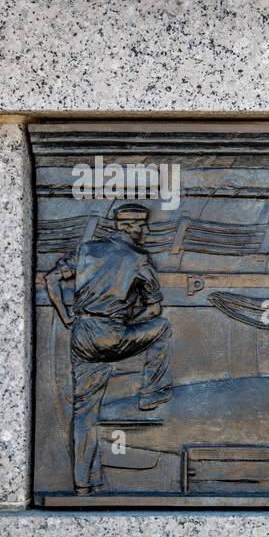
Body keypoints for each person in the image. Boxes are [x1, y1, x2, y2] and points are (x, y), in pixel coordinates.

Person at [44, 203, 172, 495]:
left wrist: (65, 315)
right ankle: (152, 393)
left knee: (84, 413)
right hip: (112, 334)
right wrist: (129, 323)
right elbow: (154, 308)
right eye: (143, 226)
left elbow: (50, 278)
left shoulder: (88, 250)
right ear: (129, 227)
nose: (147, 231)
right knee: (163, 328)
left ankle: (83, 484)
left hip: (82, 335)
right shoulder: (139, 259)